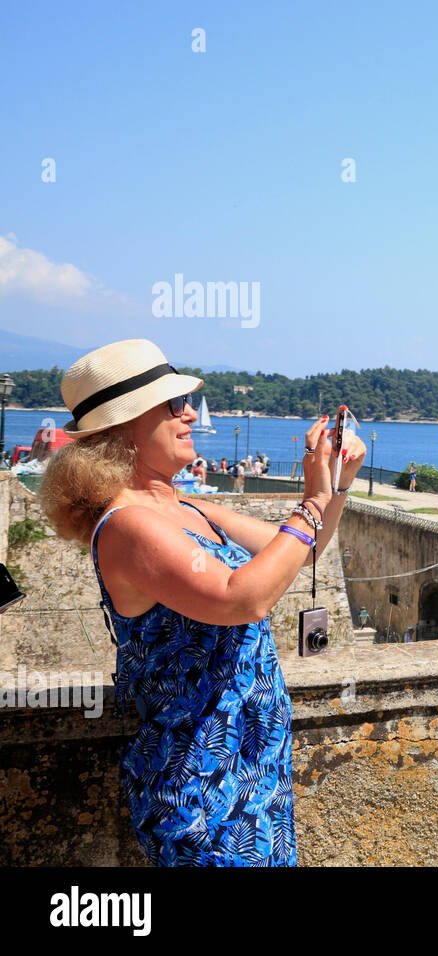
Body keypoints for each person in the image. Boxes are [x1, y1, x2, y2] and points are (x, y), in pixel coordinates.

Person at [37, 338, 366, 866]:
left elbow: (301, 552)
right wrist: (313, 500)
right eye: (173, 404)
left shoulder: (187, 505)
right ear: (123, 429)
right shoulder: (128, 526)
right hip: (202, 788)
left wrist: (337, 483)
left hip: (252, 769)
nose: (189, 412)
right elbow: (242, 599)